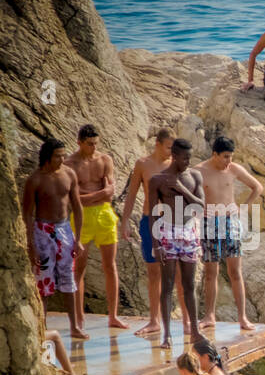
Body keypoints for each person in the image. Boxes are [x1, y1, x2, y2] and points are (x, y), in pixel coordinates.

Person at [121, 128, 188, 337]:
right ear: (158, 144)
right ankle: (154, 321)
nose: (171, 152)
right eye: (169, 147)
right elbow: (131, 195)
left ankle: (187, 320)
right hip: (149, 221)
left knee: (178, 273)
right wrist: (125, 222)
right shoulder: (143, 164)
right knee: (153, 273)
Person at [21, 139, 85, 337]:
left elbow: (77, 206)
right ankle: (43, 326)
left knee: (68, 279)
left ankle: (74, 327)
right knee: (44, 282)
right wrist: (31, 244)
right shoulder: (35, 180)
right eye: (58, 155)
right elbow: (27, 214)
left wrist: (78, 238)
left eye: (63, 155)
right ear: (47, 157)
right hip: (42, 231)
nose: (62, 159)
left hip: (64, 229)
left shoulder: (69, 174)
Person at [198, 135, 262, 331]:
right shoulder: (199, 171)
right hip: (209, 222)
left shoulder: (233, 169)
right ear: (214, 154)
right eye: (225, 157)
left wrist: (244, 209)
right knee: (211, 273)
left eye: (231, 156)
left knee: (235, 271)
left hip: (230, 221)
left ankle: (242, 317)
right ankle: (209, 315)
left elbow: (257, 187)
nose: (229, 161)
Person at [147, 139, 205, 350]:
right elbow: (153, 213)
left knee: (189, 285)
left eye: (190, 157)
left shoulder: (194, 176)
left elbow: (201, 207)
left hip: (189, 231)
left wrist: (182, 189)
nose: (188, 161)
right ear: (174, 156)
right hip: (168, 232)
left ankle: (195, 332)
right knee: (168, 285)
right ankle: (167, 335)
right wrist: (156, 244)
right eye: (185, 157)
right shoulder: (158, 180)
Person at [66, 124, 123, 329]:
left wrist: (91, 196)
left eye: (95, 143)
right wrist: (99, 194)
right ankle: (79, 317)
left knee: (110, 265)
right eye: (89, 144)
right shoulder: (70, 164)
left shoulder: (105, 160)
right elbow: (73, 199)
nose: (93, 147)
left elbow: (111, 192)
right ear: (79, 142)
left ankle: (113, 316)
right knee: (79, 267)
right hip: (81, 217)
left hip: (104, 213)